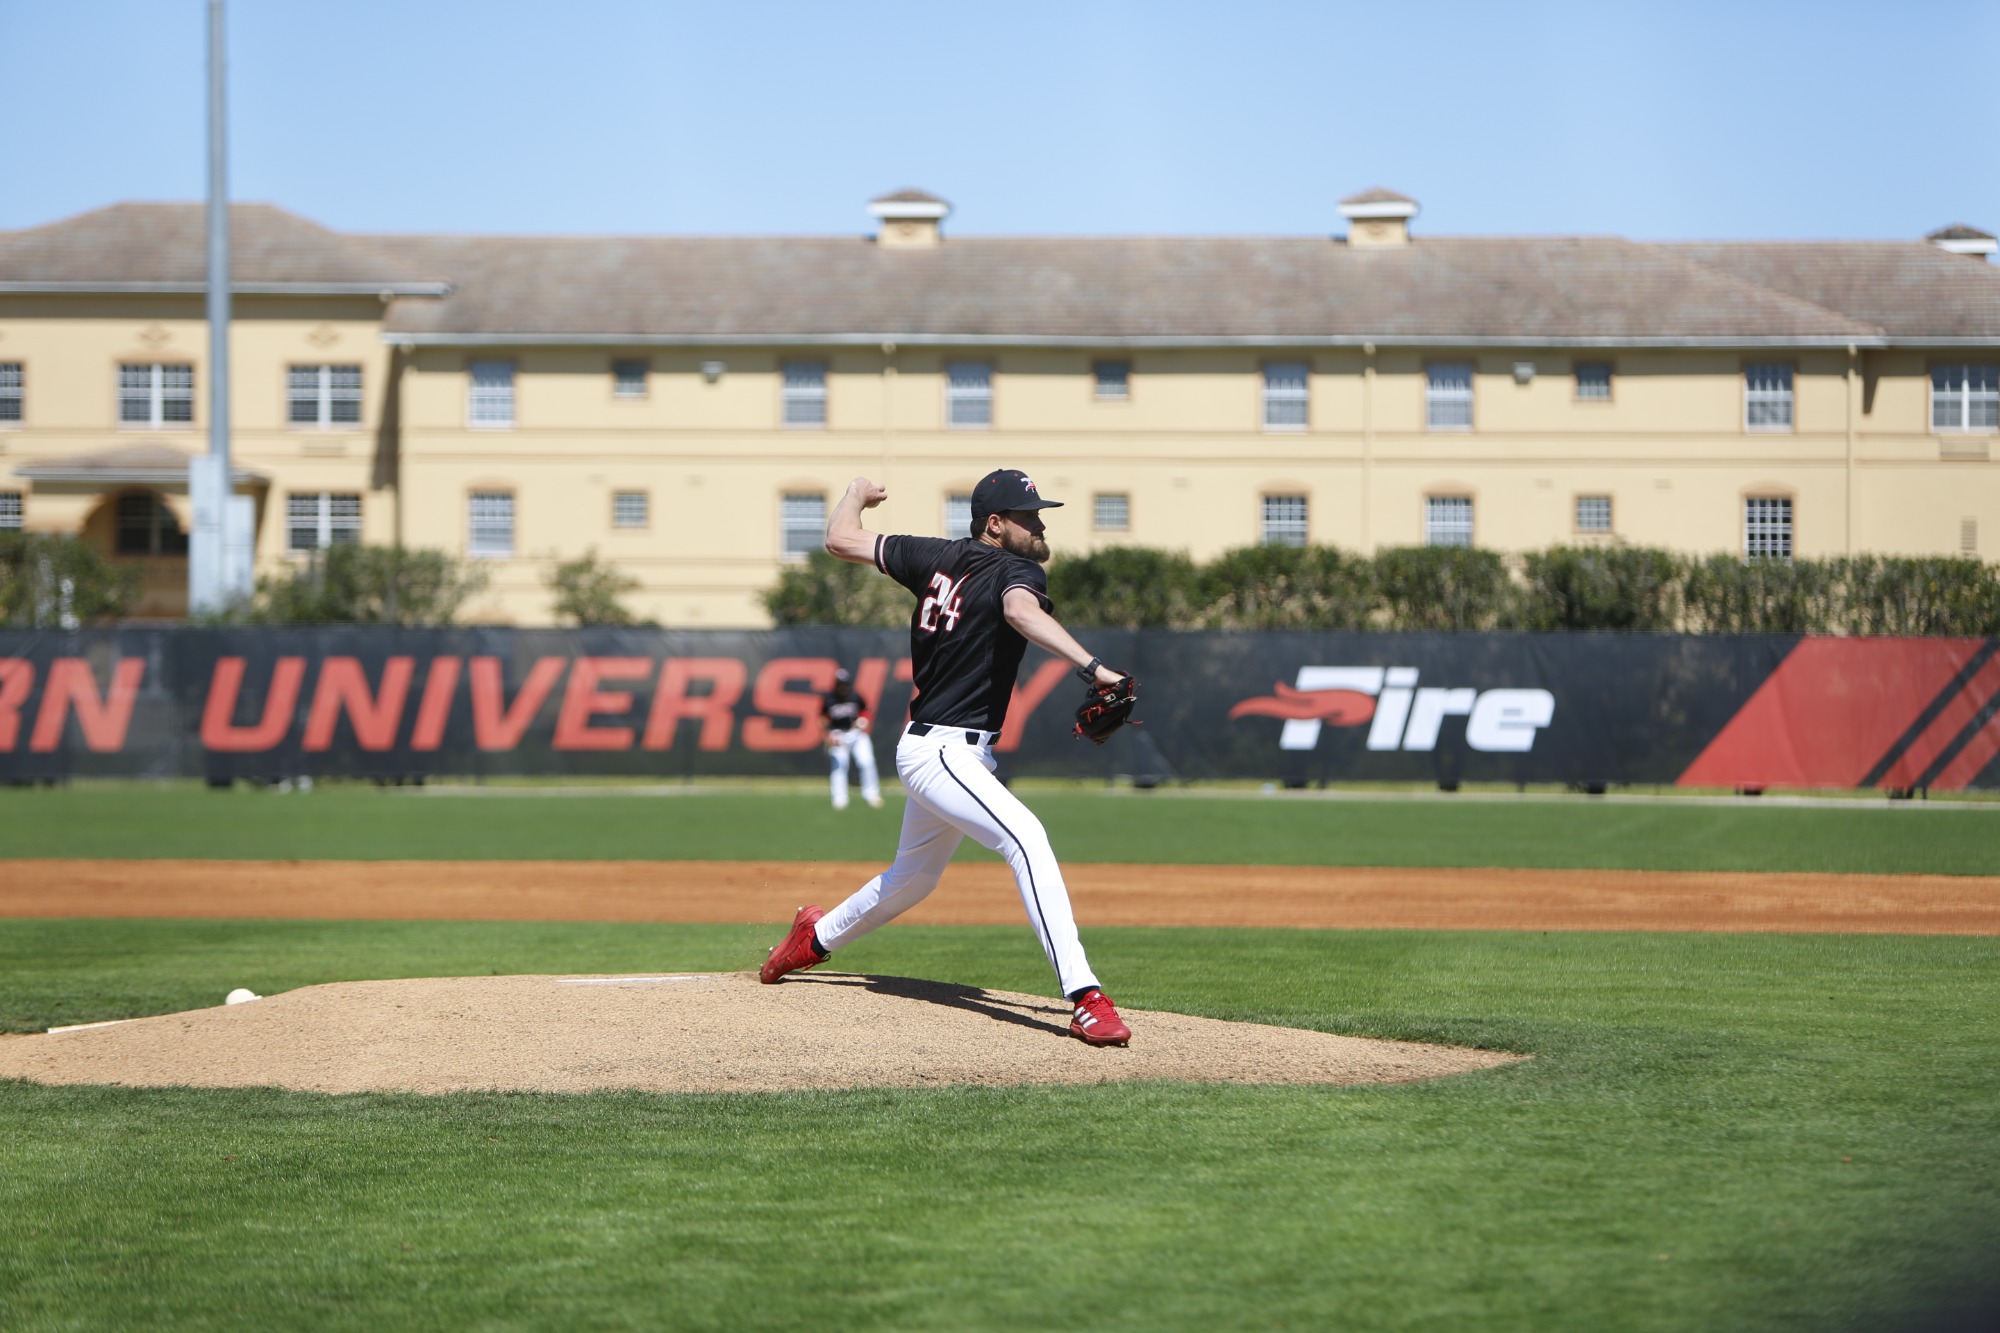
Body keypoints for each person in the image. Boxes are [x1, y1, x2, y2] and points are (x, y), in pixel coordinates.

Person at [759, 468, 1133, 1047]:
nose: (1038, 525)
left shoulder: (930, 555)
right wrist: (1095, 668)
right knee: (1027, 839)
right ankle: (1086, 997)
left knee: (912, 880)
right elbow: (1020, 613)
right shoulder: (1017, 569)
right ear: (995, 524)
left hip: (944, 751)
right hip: (943, 752)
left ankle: (813, 937)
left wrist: (856, 495)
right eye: (1029, 516)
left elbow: (839, 539)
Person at [822, 668, 884, 810]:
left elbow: (867, 710)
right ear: (835, 684)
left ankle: (872, 794)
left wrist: (864, 720)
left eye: (844, 683)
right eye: (840, 684)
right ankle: (839, 798)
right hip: (838, 734)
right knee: (839, 766)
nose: (842, 687)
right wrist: (827, 736)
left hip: (856, 733)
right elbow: (823, 718)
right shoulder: (830, 699)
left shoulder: (855, 696)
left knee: (867, 762)